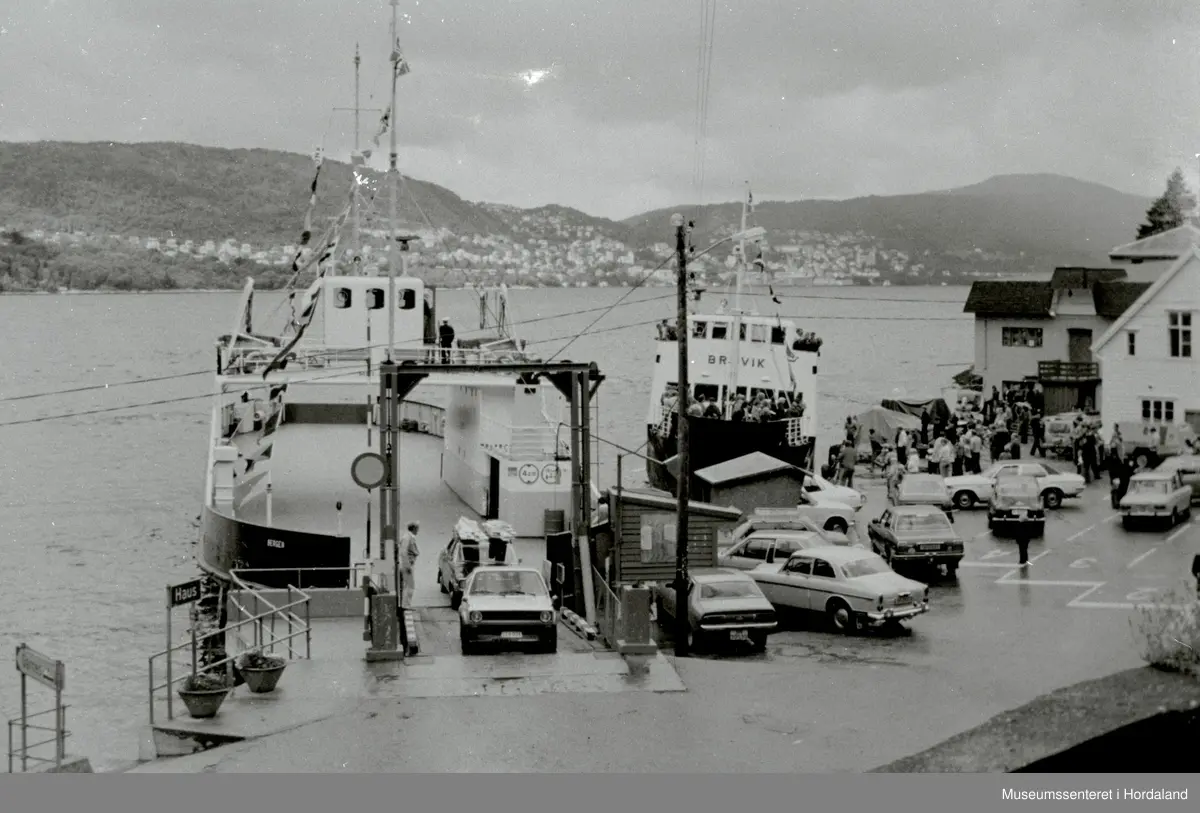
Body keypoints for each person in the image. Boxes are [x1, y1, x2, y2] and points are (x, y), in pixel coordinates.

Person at [398, 521, 420, 609]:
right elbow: (403, 552)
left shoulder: (409, 537)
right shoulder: (407, 538)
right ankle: (406, 605)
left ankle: (406, 604)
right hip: (407, 565)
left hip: (408, 564)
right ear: (414, 529)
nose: (418, 531)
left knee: (409, 585)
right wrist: (407, 565)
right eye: (417, 529)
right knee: (409, 585)